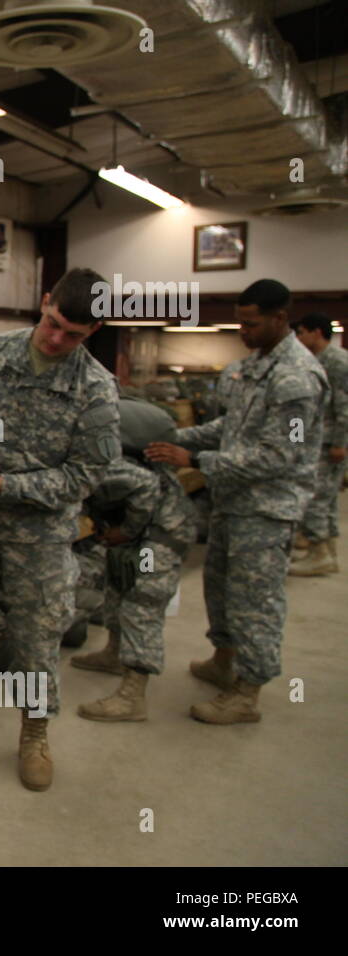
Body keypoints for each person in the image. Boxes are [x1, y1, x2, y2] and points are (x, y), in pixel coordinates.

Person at [0, 267, 120, 791]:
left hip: (41, 538)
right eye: (52, 323)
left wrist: (9, 487)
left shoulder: (95, 388)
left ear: (92, 332)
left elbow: (85, 475)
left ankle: (34, 733)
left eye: (73, 333)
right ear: (45, 303)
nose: (56, 338)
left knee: (37, 640)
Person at [147, 280, 328, 723]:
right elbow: (231, 429)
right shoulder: (256, 366)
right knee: (221, 587)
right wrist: (172, 437)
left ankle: (248, 690)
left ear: (279, 318)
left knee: (255, 600)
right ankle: (223, 659)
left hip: (267, 508)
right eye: (240, 321)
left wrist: (196, 458)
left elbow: (280, 454)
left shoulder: (296, 379)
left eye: (251, 323)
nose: (243, 330)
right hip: (232, 501)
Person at [71, 400, 196, 720]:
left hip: (159, 537)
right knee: (117, 587)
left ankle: (133, 695)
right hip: (138, 531)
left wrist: (126, 531)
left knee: (141, 603)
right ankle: (115, 653)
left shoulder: (103, 459)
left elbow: (145, 486)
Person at [288, 312, 347, 575]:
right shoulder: (319, 360)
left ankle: (319, 551)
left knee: (316, 497)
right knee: (326, 496)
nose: (299, 338)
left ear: (317, 332)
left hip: (329, 441)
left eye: (302, 332)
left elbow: (345, 407)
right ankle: (326, 549)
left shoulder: (336, 362)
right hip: (322, 439)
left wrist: (340, 443)